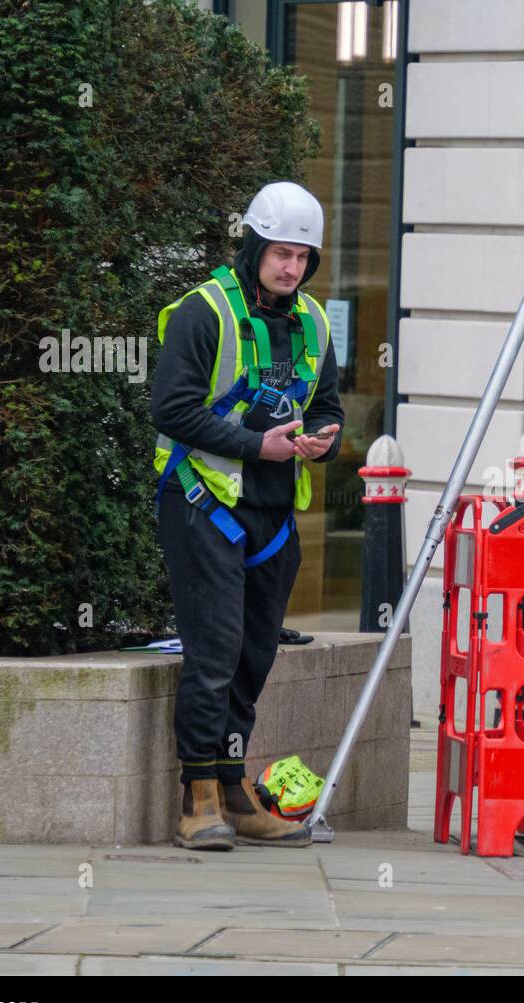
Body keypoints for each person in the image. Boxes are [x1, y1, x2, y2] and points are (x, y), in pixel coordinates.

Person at [151, 181, 345, 850]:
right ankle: (196, 797)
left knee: (255, 654)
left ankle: (234, 789)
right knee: (214, 652)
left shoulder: (315, 323)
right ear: (255, 247)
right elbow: (171, 409)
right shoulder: (203, 313)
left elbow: (328, 404)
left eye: (302, 258)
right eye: (280, 254)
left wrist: (326, 438)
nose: (290, 268)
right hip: (204, 501)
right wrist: (256, 444)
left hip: (272, 515)